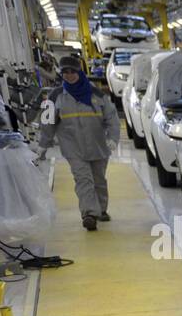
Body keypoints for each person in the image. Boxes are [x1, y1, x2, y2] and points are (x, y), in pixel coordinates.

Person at [34, 56, 119, 231]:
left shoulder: (97, 94)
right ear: (61, 74)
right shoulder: (55, 96)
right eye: (65, 72)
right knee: (83, 179)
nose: (69, 75)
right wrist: (43, 144)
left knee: (99, 180)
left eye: (72, 71)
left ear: (79, 72)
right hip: (73, 147)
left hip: (98, 145)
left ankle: (101, 209)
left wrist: (113, 137)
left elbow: (112, 118)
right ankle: (89, 214)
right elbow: (47, 122)